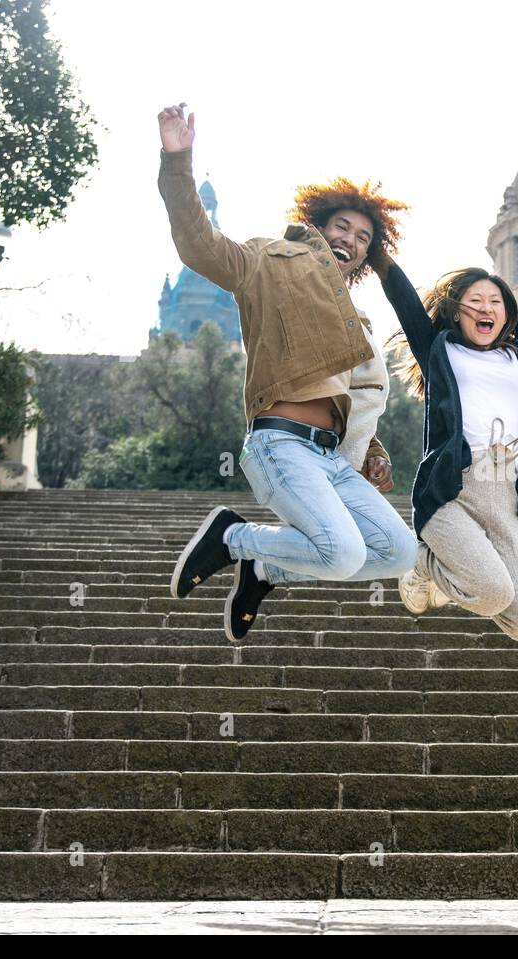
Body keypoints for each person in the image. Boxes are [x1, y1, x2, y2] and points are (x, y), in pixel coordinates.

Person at [156, 102, 417, 642]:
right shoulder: (267, 260)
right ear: (318, 228)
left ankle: (264, 568)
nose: (350, 239)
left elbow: (363, 395)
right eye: (341, 227)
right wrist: (177, 162)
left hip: (333, 458)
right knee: (342, 552)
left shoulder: (357, 320)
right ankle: (234, 537)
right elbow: (199, 245)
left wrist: (369, 449)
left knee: (398, 551)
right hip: (281, 444)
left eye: (364, 237)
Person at [370, 175, 518, 641]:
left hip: (503, 495)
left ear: (506, 312)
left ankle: (440, 576)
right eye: (474, 302)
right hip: (452, 490)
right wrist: (378, 252)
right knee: (490, 593)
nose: (486, 308)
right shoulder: (440, 351)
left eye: (495, 301)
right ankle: (420, 561)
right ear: (455, 311)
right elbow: (405, 302)